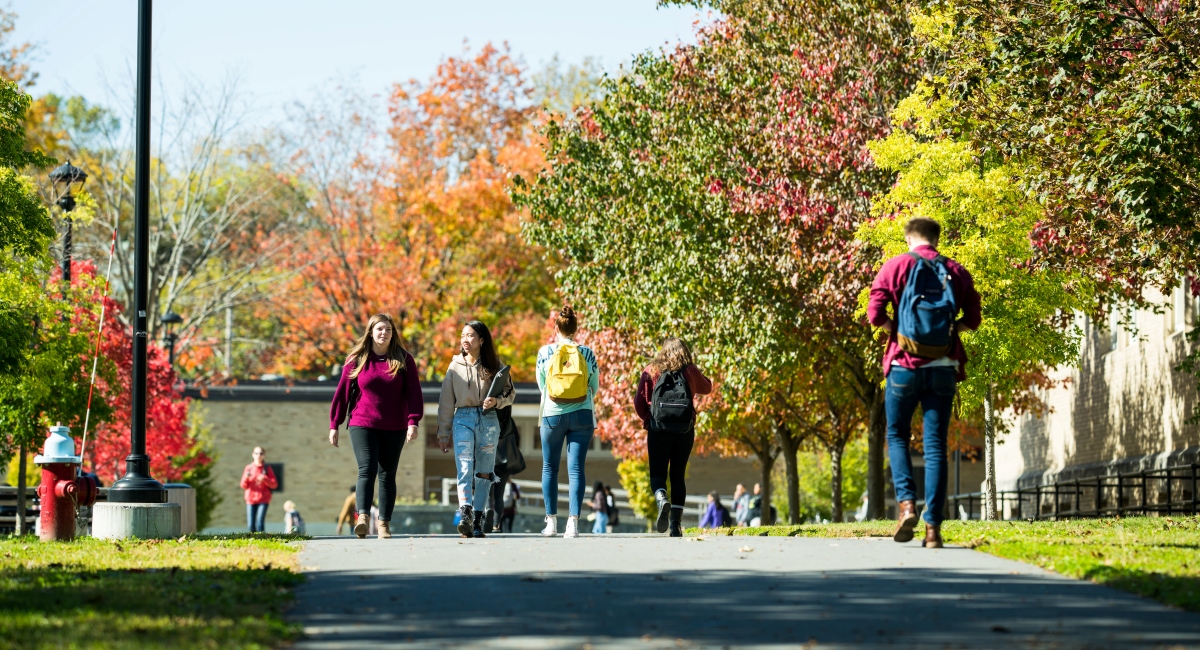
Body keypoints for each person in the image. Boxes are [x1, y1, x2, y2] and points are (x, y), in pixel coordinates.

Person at [868, 217, 981, 549]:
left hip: (903, 365)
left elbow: (875, 313)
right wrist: (947, 337)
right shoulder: (956, 271)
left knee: (898, 435)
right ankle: (933, 529)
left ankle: (906, 506)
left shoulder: (896, 266)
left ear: (909, 239)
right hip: (943, 367)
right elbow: (972, 319)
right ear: (935, 239)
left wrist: (900, 335)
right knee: (935, 446)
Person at [329, 313, 424, 540]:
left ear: (393, 334)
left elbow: (413, 392)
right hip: (362, 422)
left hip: (395, 425)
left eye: (388, 330)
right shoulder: (357, 359)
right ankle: (362, 518)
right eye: (380, 329)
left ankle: (383, 524)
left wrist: (413, 421)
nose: (384, 333)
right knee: (367, 468)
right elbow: (342, 393)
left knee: (387, 474)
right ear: (371, 332)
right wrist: (335, 423)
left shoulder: (403, 359)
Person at [437, 320, 515, 538]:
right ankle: (465, 514)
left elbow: (510, 393)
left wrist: (496, 402)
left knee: (483, 473)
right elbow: (445, 402)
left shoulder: (495, 364)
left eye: (470, 335)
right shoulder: (454, 367)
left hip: (489, 421)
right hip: (462, 418)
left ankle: (479, 519)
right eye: (463, 335)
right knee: (464, 466)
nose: (465, 340)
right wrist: (443, 433)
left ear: (481, 340)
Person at [633, 337, 713, 537]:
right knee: (678, 476)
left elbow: (638, 402)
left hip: (658, 429)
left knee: (657, 474)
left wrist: (648, 420)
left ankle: (661, 498)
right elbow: (708, 387)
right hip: (684, 430)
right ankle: (675, 525)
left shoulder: (651, 370)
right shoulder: (690, 371)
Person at [535, 306, 600, 539]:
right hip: (582, 413)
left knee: (549, 467)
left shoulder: (545, 352)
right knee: (576, 469)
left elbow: (542, 385)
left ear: (556, 328)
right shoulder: (587, 353)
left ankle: (551, 522)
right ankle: (573, 523)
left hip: (552, 414)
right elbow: (595, 386)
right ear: (575, 328)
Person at [240, 447, 277, 533]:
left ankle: (262, 541)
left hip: (263, 499)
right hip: (250, 499)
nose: (258, 455)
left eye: (261, 453)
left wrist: (265, 479)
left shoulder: (267, 468)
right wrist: (246, 478)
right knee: (251, 525)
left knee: (260, 523)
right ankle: (253, 542)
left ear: (264, 455)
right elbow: (243, 485)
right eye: (256, 453)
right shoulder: (248, 468)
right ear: (253, 455)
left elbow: (274, 484)